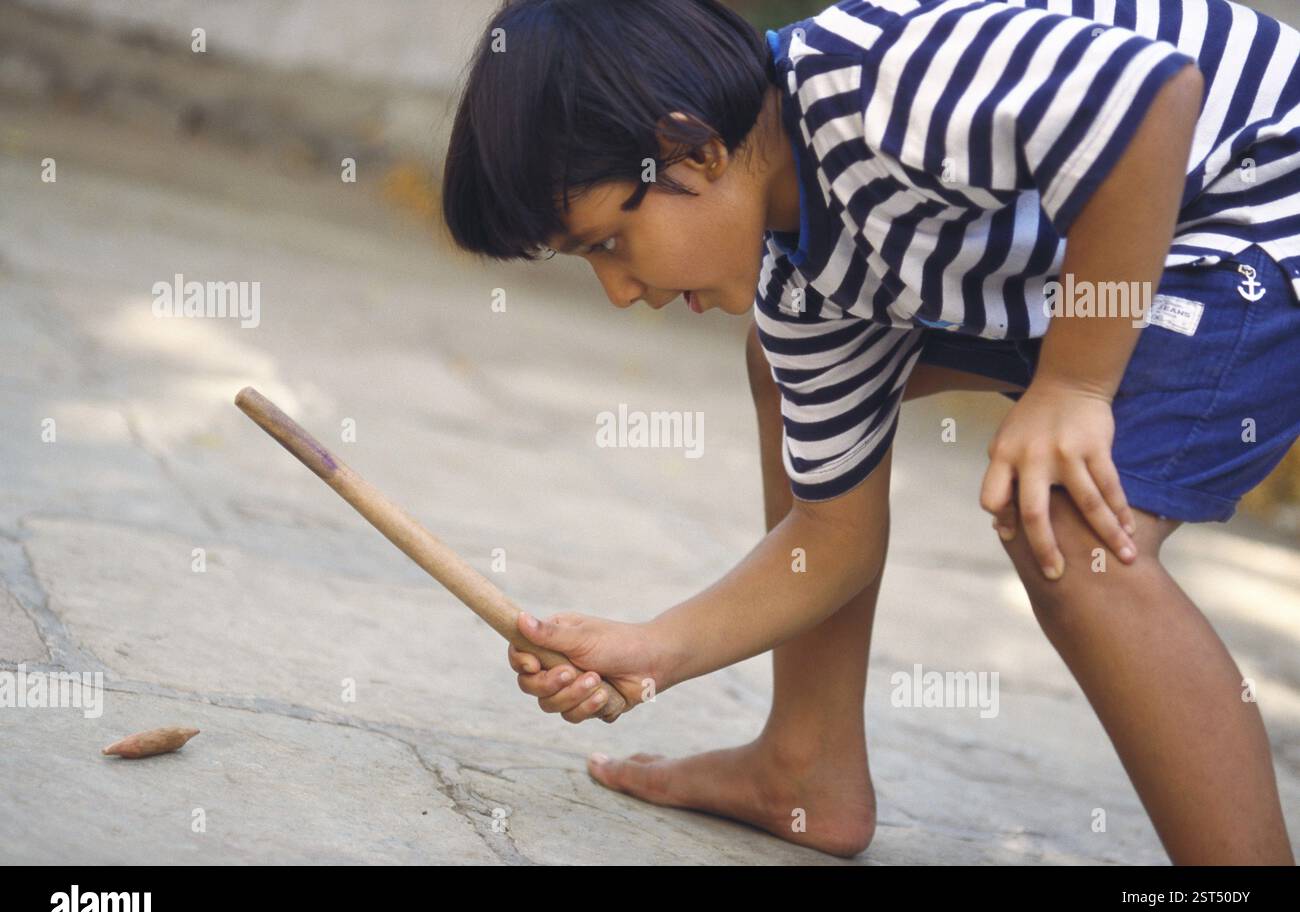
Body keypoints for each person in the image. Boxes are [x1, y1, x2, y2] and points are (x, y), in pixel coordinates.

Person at [440, 0, 1300, 862]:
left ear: (691, 150)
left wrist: (1074, 385)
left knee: (1069, 521)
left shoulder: (875, 86)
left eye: (610, 242)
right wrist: (652, 645)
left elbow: (1151, 95)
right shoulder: (807, 288)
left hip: (1262, 200)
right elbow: (831, 537)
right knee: (777, 369)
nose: (620, 292)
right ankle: (806, 765)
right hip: (1124, 246)